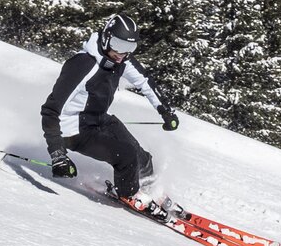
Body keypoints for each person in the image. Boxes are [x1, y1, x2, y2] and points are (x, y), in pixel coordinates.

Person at [40, 13, 180, 216]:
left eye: (129, 48)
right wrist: (58, 155)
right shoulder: (83, 64)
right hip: (73, 130)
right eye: (118, 45)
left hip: (99, 119)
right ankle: (130, 194)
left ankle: (150, 189)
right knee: (127, 156)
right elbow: (50, 110)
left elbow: (145, 82)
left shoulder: (121, 60)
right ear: (106, 38)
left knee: (141, 156)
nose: (122, 53)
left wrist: (165, 111)